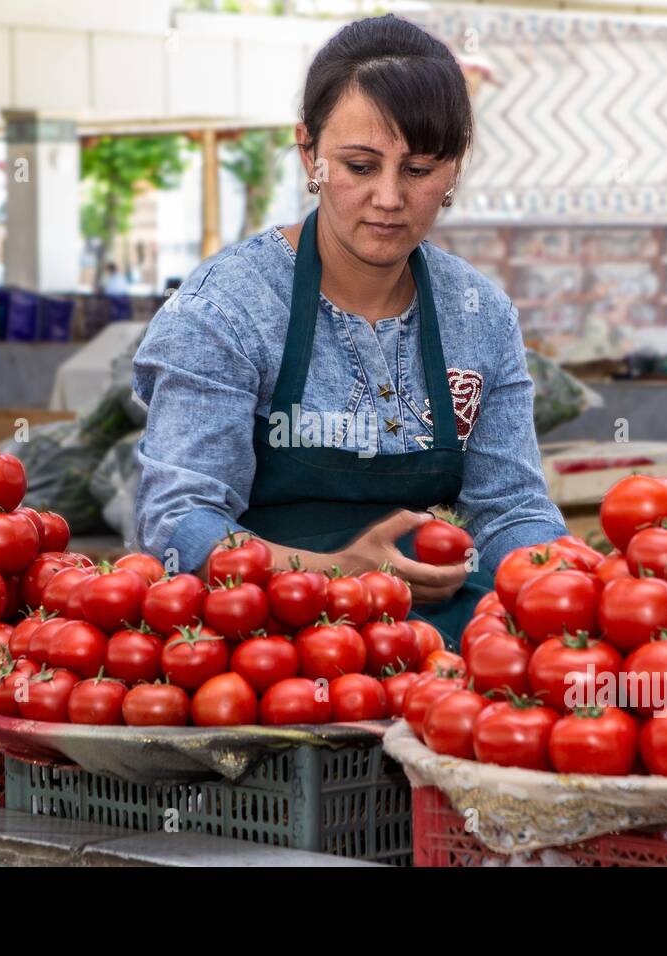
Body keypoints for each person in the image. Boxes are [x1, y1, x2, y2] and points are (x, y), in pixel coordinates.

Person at [131, 14, 567, 647]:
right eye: (360, 166)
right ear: (309, 152)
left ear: (454, 170)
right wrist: (335, 574)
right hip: (266, 646)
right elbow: (178, 524)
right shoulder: (225, 309)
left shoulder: (478, 313)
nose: (389, 197)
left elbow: (510, 509)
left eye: (419, 170)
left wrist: (571, 585)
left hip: (438, 648)